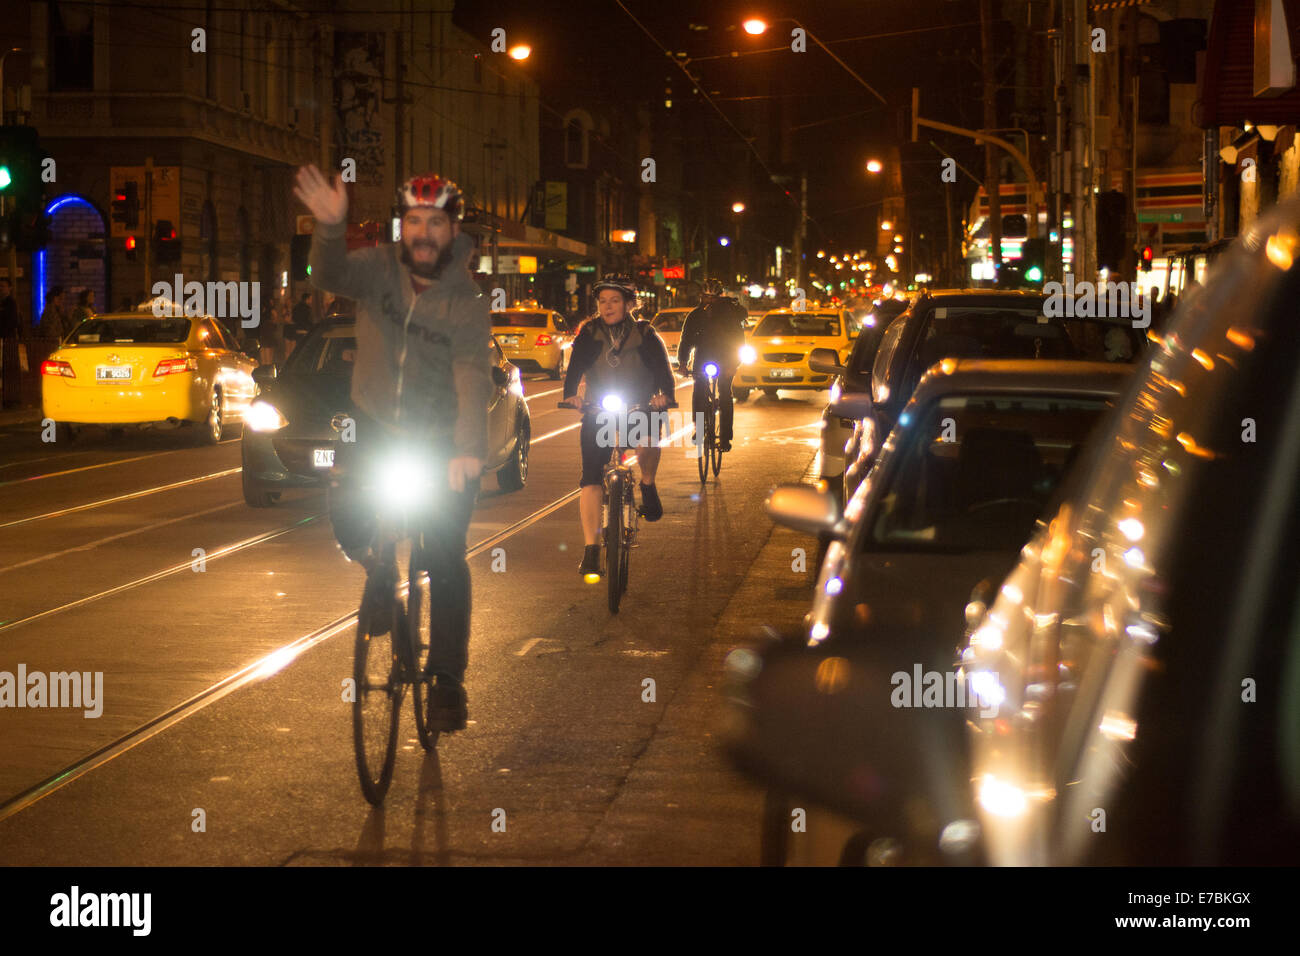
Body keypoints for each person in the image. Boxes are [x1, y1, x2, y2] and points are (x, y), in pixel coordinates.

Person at [294, 164, 490, 733]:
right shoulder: (376, 270)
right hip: (374, 424)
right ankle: (379, 570)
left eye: (434, 221)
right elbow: (325, 273)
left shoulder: (465, 300)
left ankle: (449, 679)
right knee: (347, 508)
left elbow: (472, 372)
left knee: (446, 554)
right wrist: (331, 226)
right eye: (413, 220)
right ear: (400, 226)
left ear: (452, 230)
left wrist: (468, 449)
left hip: (444, 438)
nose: (423, 231)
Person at [558, 273, 676, 577]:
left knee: (647, 439)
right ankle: (591, 549)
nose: (607, 306)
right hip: (599, 406)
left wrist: (665, 396)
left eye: (614, 301)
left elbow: (663, 371)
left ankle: (647, 483)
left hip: (641, 404)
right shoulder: (589, 332)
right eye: (602, 301)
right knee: (591, 477)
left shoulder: (646, 334)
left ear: (628, 304)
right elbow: (575, 368)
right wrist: (571, 395)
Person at [678, 277, 748, 451]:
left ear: (720, 297)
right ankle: (699, 428)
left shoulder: (729, 315)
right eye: (706, 297)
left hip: (726, 358)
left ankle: (725, 438)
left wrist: (733, 364)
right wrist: (683, 363)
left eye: (713, 298)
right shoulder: (695, 315)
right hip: (703, 357)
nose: (709, 301)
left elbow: (738, 342)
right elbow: (686, 340)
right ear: (701, 297)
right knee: (699, 392)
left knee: (725, 395)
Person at [1, 278, 23, 408]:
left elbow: (12, 322)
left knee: (9, 369)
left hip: (8, 340)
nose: (1, 289)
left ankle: (10, 398)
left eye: (3, 286)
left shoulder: (11, 303)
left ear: (9, 288)